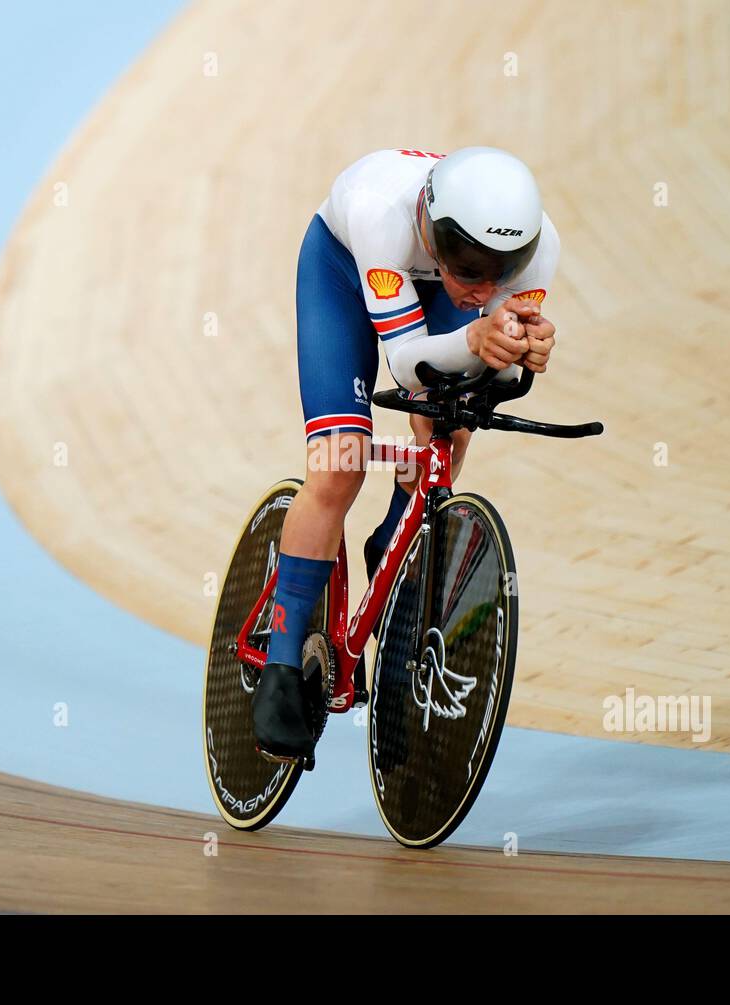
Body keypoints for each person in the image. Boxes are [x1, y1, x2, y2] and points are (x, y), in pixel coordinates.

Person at [252, 146, 559, 758]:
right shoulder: (380, 213)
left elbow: (486, 363)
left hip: (430, 299)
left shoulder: (537, 245)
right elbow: (405, 362)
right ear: (431, 227)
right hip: (344, 272)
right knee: (340, 464)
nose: (488, 285)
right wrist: (477, 335)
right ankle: (281, 664)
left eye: (505, 268)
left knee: (451, 429)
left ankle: (396, 540)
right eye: (472, 267)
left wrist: (521, 352)